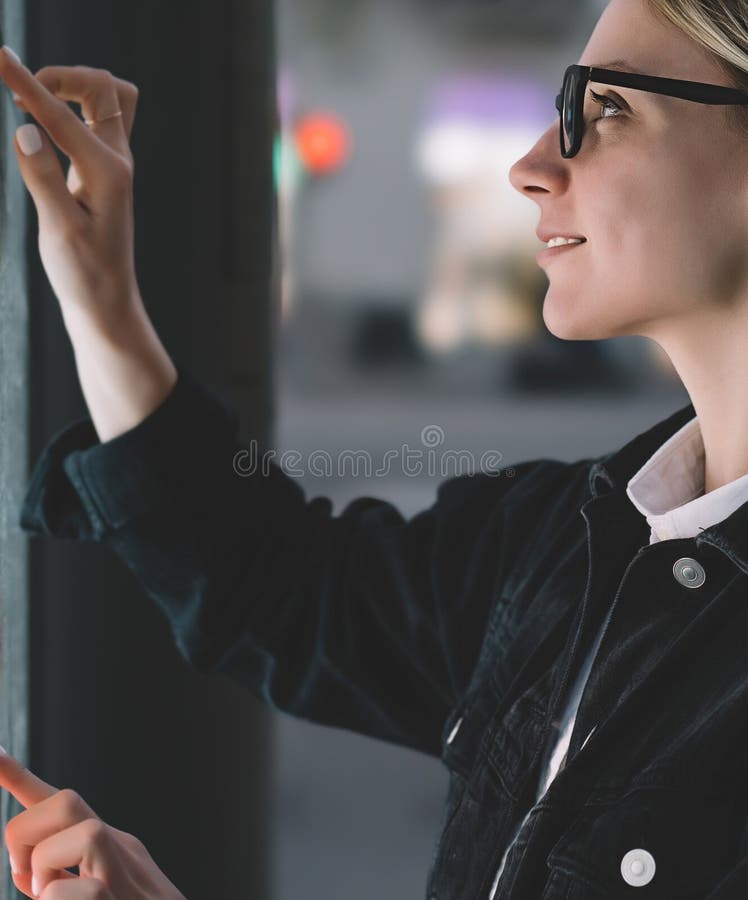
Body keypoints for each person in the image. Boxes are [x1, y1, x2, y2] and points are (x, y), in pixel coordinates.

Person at [0, 0, 747, 896]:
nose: (530, 166)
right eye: (564, 109)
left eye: (610, 109)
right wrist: (101, 303)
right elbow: (286, 589)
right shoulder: (561, 540)